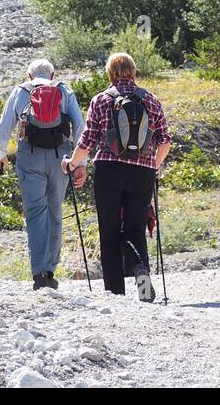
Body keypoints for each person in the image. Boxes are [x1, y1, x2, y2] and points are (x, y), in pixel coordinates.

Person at [65, 53, 170, 301]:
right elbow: (165, 141)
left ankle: (115, 293)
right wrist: (152, 166)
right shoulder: (151, 100)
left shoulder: (101, 100)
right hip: (142, 172)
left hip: (109, 170)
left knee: (109, 231)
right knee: (135, 229)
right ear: (133, 72)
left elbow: (87, 140)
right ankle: (141, 274)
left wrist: (72, 163)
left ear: (110, 74)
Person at [0, 59, 83, 290]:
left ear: (29, 76)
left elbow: (4, 129)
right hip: (60, 159)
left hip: (29, 157)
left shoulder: (20, 91)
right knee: (55, 210)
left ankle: (38, 273)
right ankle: (50, 269)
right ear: (53, 75)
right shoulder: (64, 90)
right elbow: (81, 126)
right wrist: (81, 163)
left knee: (35, 213)